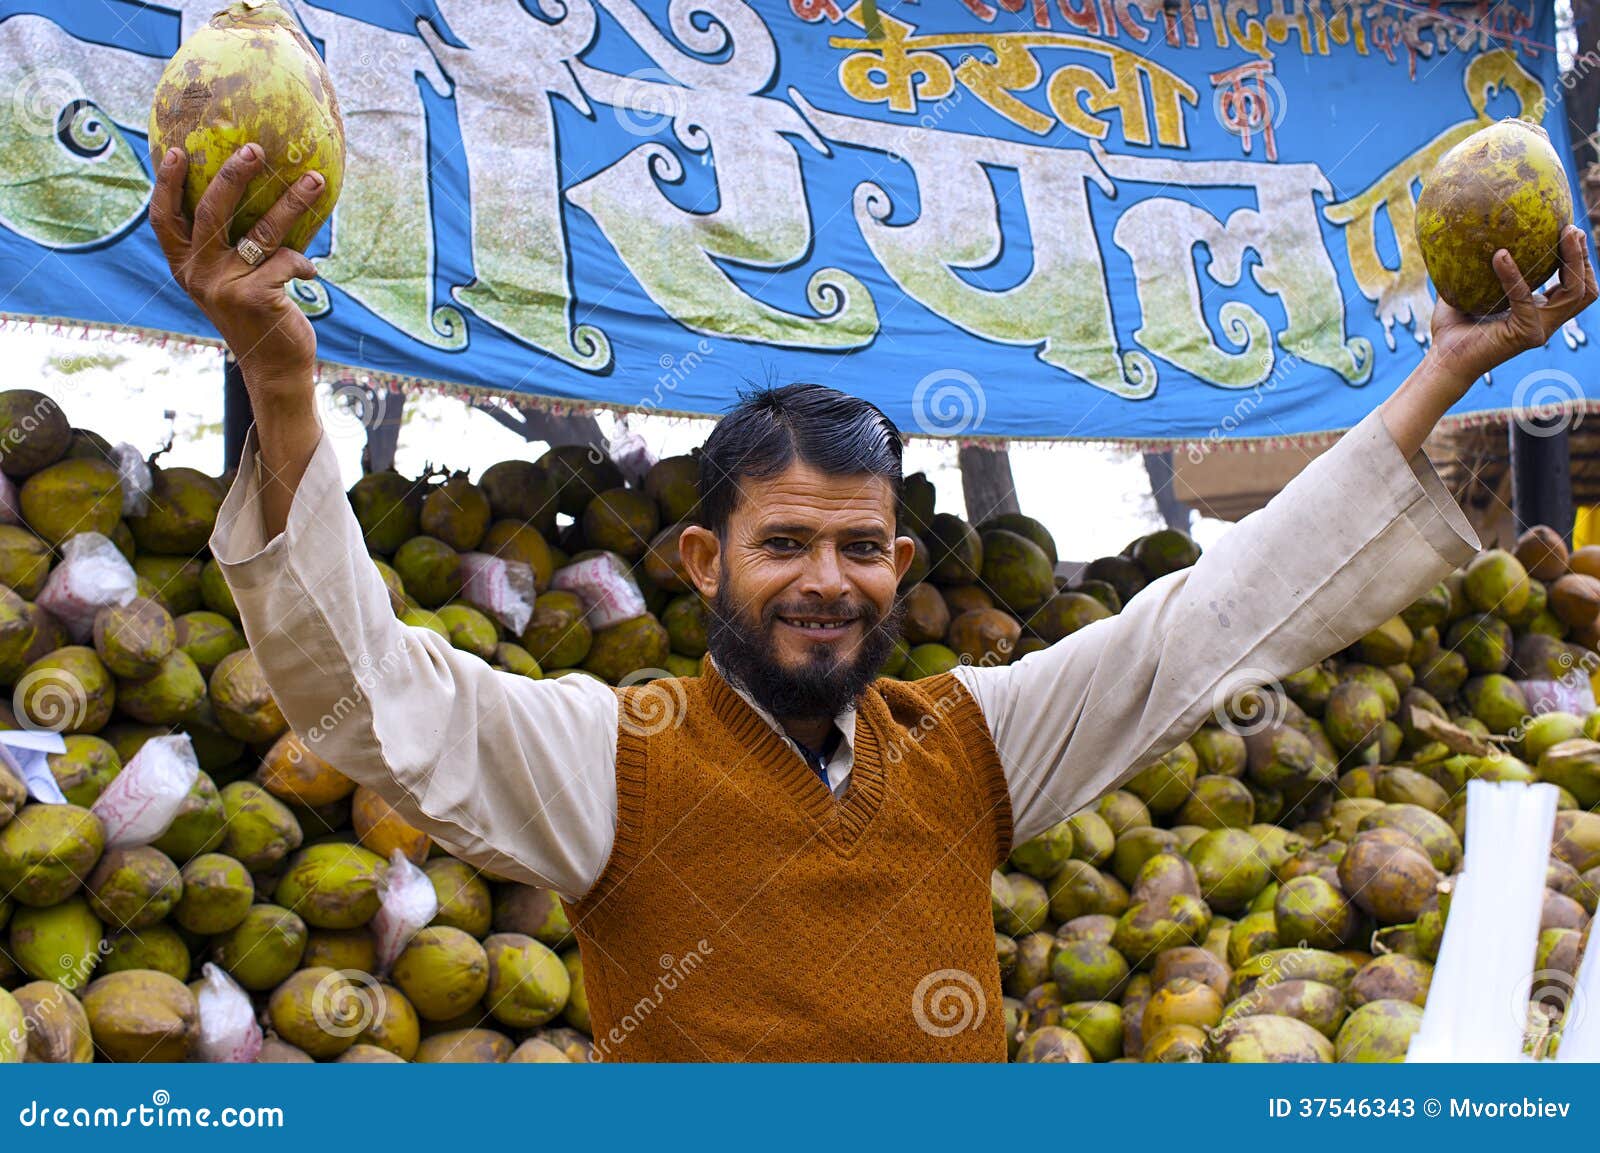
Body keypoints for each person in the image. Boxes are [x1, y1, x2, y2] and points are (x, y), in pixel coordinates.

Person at [150, 142, 1595, 1061]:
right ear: (707, 566)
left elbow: (1212, 625)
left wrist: (1442, 375)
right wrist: (282, 382)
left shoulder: (970, 739)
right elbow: (371, 696)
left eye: (859, 547)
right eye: (785, 544)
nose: (826, 582)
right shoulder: (609, 759)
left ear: (902, 571)